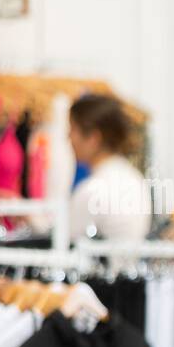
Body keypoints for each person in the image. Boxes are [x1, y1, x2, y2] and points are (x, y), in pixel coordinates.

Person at [67, 93, 151, 242]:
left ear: (93, 138)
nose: (69, 137)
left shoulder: (93, 190)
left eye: (73, 129)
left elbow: (63, 240)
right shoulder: (135, 178)